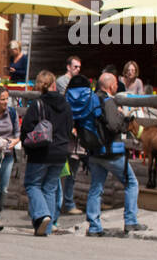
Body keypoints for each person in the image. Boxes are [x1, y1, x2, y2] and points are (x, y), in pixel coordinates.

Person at [86, 73, 149, 237]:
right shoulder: (108, 102)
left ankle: (94, 226)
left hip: (93, 152)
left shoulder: (91, 100)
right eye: (115, 83)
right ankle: (130, 221)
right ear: (109, 86)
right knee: (132, 183)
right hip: (110, 153)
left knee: (96, 188)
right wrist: (122, 116)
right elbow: (115, 126)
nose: (117, 86)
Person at [20, 70, 73, 236]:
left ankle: (43, 215)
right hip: (61, 152)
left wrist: (26, 147)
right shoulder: (65, 104)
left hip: (41, 152)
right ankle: (47, 228)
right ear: (54, 84)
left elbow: (27, 129)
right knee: (50, 189)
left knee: (32, 184)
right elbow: (69, 127)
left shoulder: (37, 105)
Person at [57, 56, 84, 217]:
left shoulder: (78, 83)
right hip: (65, 133)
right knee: (62, 171)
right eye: (75, 66)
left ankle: (67, 202)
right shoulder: (62, 82)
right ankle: (62, 203)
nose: (78, 69)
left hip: (74, 136)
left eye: (79, 67)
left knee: (72, 171)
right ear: (68, 67)